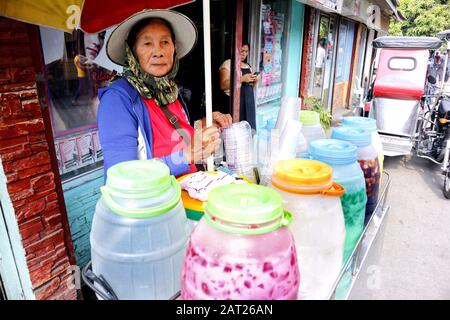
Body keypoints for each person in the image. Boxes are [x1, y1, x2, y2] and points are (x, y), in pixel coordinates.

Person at [98, 10, 232, 180]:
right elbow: (120, 177)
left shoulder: (170, 90)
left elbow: (174, 135)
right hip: (157, 203)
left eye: (165, 42)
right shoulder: (117, 99)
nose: (158, 52)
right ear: (132, 52)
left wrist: (205, 124)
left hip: (189, 194)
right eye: (147, 43)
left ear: (174, 48)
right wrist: (185, 157)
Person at [218, 43, 258, 130]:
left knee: (248, 130)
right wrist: (242, 79)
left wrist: (255, 80)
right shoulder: (228, 64)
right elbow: (223, 85)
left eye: (246, 51)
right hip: (234, 103)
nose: (244, 54)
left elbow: (250, 87)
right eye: (242, 51)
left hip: (248, 103)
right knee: (235, 130)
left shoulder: (248, 66)